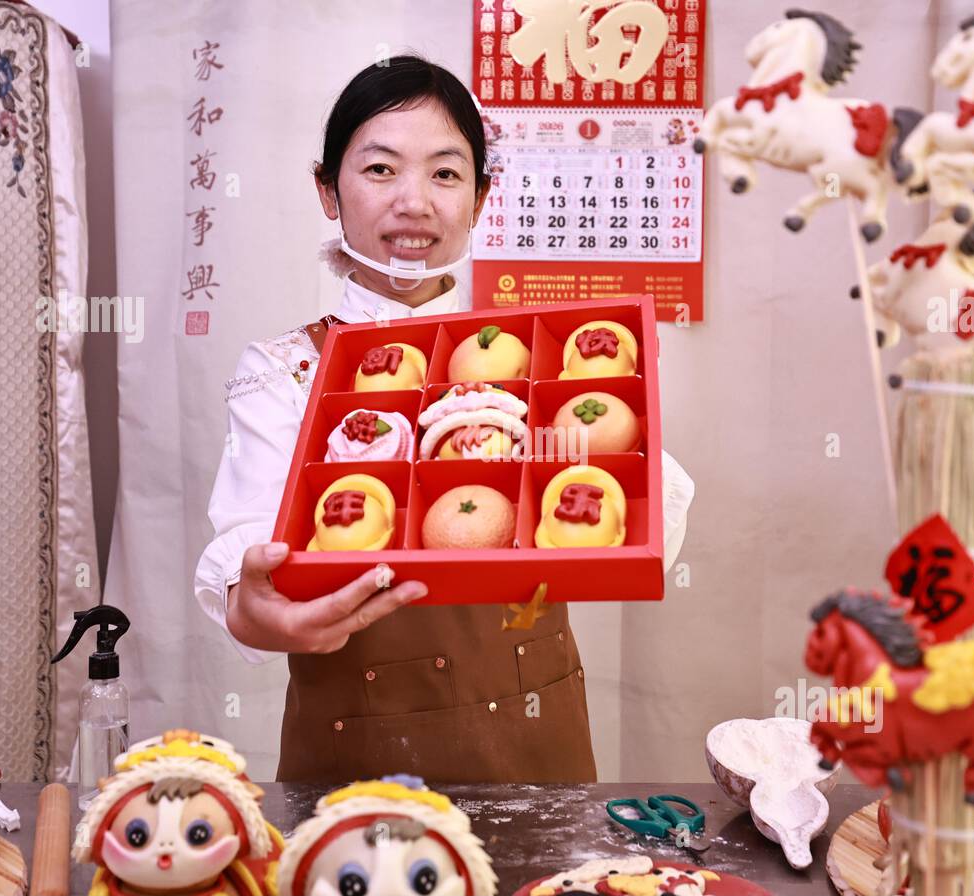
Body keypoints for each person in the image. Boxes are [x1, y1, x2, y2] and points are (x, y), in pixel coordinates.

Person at [195, 55, 694, 783]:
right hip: (357, 760)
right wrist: (254, 610)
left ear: (481, 198)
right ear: (327, 190)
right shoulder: (285, 370)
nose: (414, 202)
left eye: (445, 174)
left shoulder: (538, 364)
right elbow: (247, 550)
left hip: (536, 743)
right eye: (379, 170)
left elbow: (644, 517)